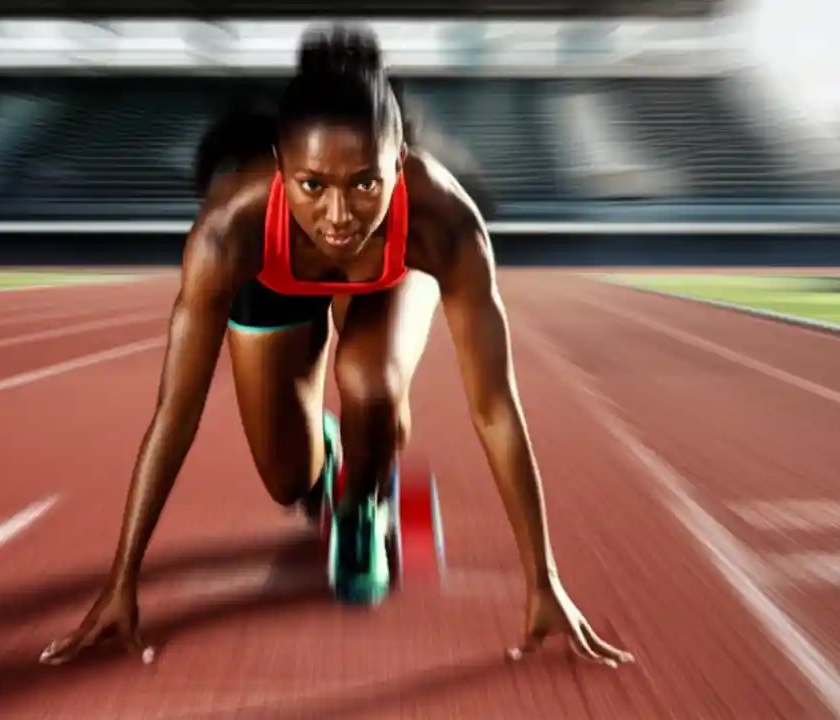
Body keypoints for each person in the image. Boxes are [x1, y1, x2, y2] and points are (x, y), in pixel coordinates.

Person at [40, 25, 634, 669]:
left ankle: (361, 510)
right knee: (287, 480)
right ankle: (332, 458)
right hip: (274, 279)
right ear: (279, 166)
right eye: (312, 185)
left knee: (369, 382)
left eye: (365, 184)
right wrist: (122, 579)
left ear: (399, 160)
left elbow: (494, 407)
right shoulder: (227, 231)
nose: (340, 216)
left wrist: (543, 579)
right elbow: (175, 414)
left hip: (390, 273)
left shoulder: (445, 222)